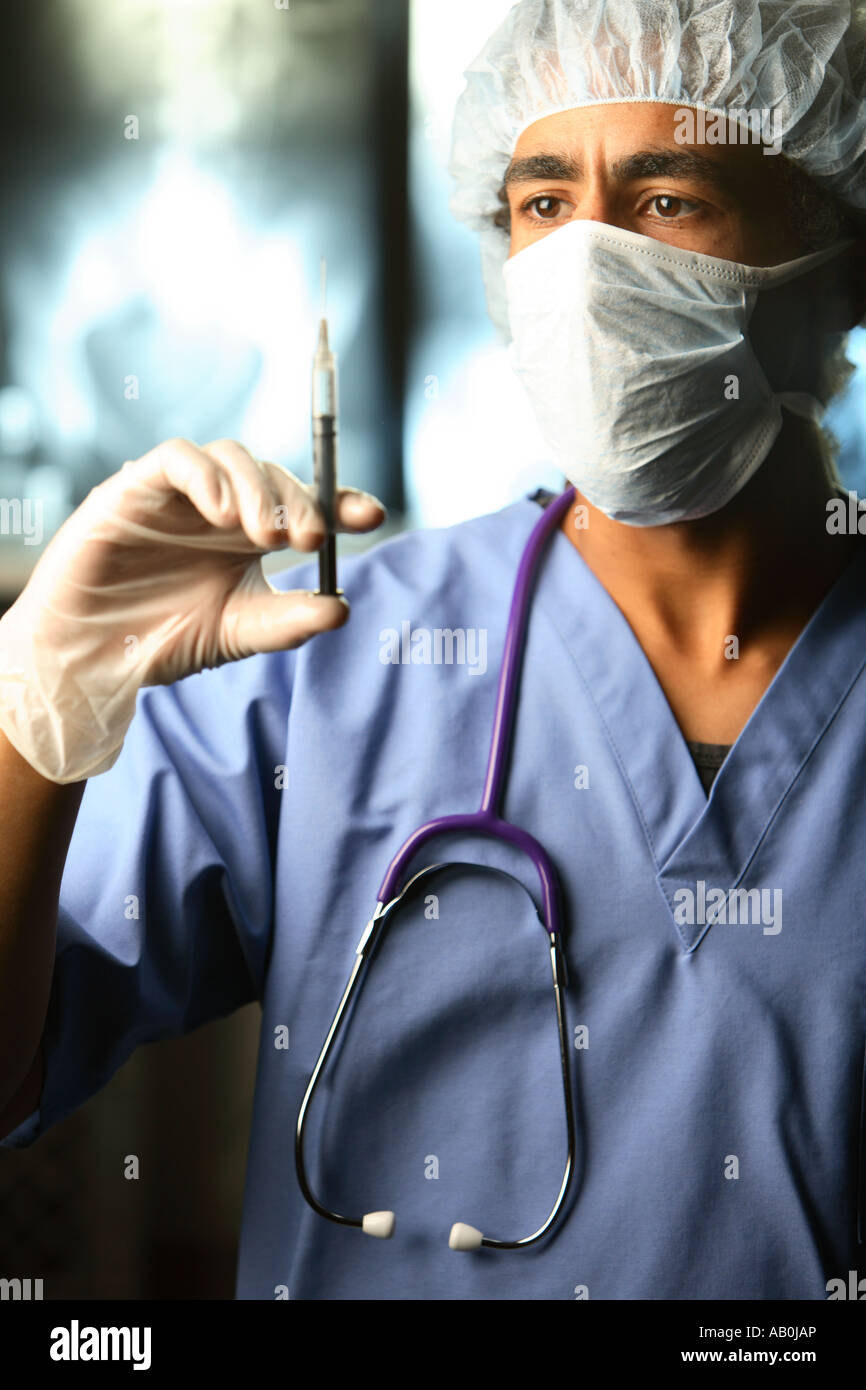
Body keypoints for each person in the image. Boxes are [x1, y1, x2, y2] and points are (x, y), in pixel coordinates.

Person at [2, 0, 866, 1300]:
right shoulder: (323, 655)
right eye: (538, 204)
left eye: (667, 199)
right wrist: (33, 719)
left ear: (833, 254)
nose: (583, 263)